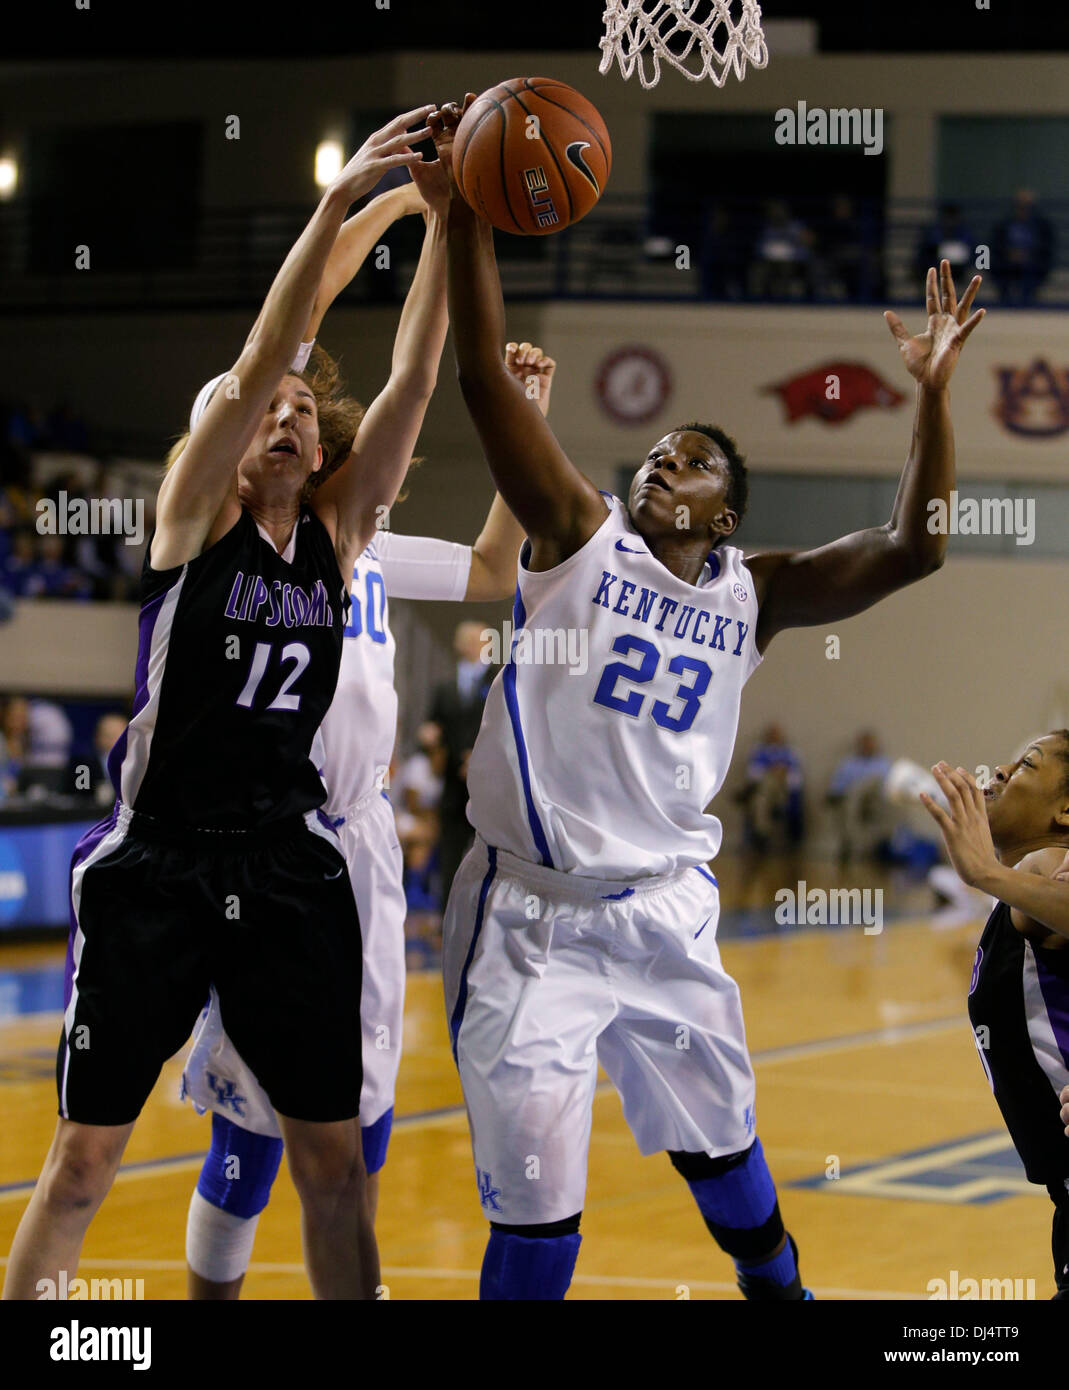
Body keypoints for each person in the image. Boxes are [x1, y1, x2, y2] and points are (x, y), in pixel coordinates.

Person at [431, 93, 985, 1302]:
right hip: (532, 920)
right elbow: (482, 381)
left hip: (669, 909)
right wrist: (470, 214)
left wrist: (933, 397)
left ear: (722, 515)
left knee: (730, 1166)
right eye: (655, 452)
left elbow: (918, 546)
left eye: (686, 461)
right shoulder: (577, 537)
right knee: (539, 1220)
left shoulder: (755, 591)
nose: (657, 463)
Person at [1, 103, 442, 1303]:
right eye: (269, 410)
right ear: (229, 437)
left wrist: (455, 227)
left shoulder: (342, 539)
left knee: (335, 1164)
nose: (291, 412)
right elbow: (266, 357)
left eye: (306, 409)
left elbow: (408, 381)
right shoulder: (193, 526)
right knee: (85, 1158)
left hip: (289, 869)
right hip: (159, 865)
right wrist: (341, 198)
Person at [179, 334, 553, 1298]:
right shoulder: (230, 548)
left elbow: (488, 569)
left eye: (307, 422)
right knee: (250, 1126)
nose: (291, 432)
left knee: (366, 1095)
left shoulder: (369, 546)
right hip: (263, 844)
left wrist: (528, 426)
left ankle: (355, 1282)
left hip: (364, 843)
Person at [919, 742, 1069, 1298]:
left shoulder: (1047, 865)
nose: (1001, 769)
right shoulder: (1021, 884)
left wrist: (986, 872)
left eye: (1028, 764)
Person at [428, 620, 499, 906]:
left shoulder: (499, 681)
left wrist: (480, 757)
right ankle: (445, 918)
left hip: (486, 784)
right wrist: (432, 741)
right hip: (452, 785)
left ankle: (485, 913)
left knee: (490, 854)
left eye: (478, 639)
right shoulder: (444, 688)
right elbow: (433, 727)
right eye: (467, 640)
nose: (472, 645)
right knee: (450, 852)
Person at [826, 729, 891, 864]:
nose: (867, 746)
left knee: (868, 782)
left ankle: (859, 844)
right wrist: (834, 794)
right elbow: (838, 784)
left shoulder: (883, 763)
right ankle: (849, 844)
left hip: (875, 800)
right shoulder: (849, 763)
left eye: (870, 743)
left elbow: (887, 787)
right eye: (864, 743)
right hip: (852, 800)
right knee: (850, 801)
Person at [738, 723, 805, 854]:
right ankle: (762, 835)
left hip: (785, 791)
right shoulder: (759, 752)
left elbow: (797, 780)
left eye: (777, 734)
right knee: (759, 801)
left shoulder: (790, 754)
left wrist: (782, 773)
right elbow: (752, 774)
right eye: (772, 734)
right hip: (764, 790)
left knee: (771, 788)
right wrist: (771, 770)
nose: (774, 737)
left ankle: (778, 806)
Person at [991, 190, 1055, 306]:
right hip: (1007, 261)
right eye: (1020, 206)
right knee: (996, 266)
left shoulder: (1042, 225)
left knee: (1032, 269)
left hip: (1032, 262)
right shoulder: (1004, 224)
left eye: (1027, 207)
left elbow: (1046, 246)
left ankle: (1028, 298)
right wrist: (1009, 253)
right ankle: (1005, 299)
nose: (1023, 210)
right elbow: (996, 244)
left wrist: (1028, 254)